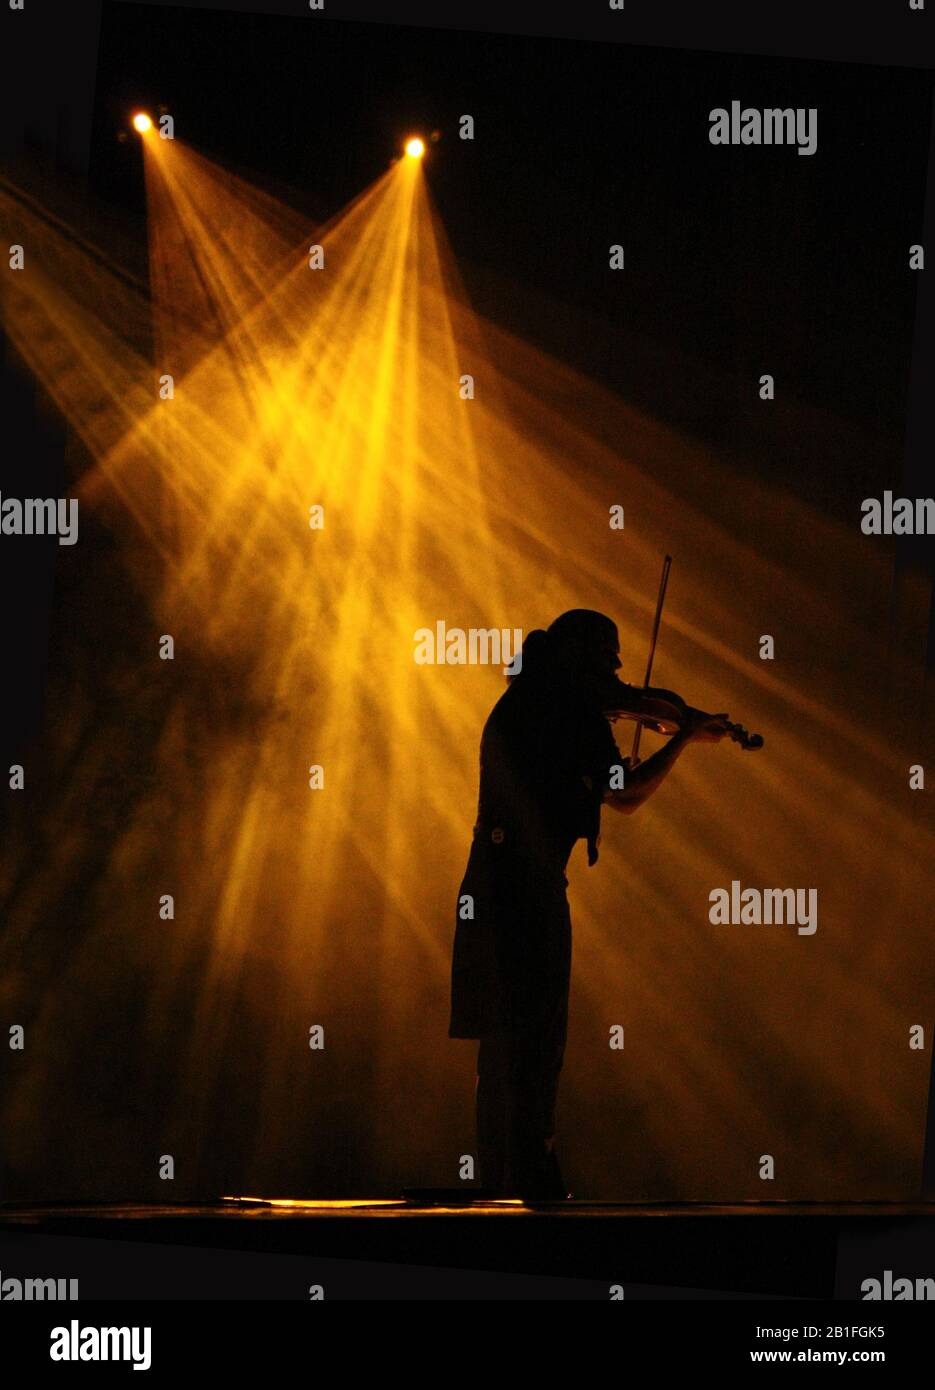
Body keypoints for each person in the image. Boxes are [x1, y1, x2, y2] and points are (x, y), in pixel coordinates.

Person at [448, 608, 730, 1200]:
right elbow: (623, 794)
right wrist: (680, 735)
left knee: (500, 1037)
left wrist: (654, 717)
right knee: (538, 1035)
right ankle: (533, 1177)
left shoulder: (524, 699)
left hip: (485, 882)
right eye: (606, 664)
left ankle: (495, 1181)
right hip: (528, 885)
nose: (617, 683)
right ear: (577, 655)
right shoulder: (571, 706)